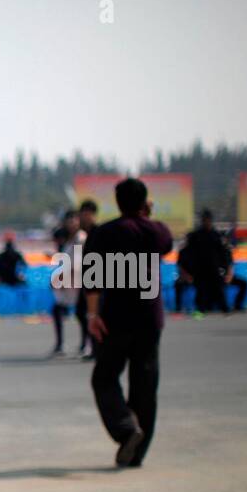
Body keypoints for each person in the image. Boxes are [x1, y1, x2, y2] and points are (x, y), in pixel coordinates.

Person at [85, 177, 173, 468]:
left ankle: (125, 429)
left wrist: (92, 315)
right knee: (145, 384)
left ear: (118, 202)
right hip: (150, 318)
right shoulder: (158, 232)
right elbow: (163, 241)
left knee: (104, 377)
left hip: (116, 319)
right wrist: (147, 214)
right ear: (145, 202)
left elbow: (92, 277)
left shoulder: (105, 233)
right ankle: (136, 453)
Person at [177, 209, 231, 315]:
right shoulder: (195, 235)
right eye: (205, 220)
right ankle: (201, 309)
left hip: (213, 267)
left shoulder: (216, 235)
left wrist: (225, 267)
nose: (206, 222)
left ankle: (224, 308)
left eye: (208, 220)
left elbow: (223, 252)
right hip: (199, 268)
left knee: (218, 287)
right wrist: (187, 271)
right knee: (201, 289)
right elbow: (187, 253)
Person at [50, 214, 82, 355]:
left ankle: (86, 344)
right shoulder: (68, 240)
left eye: (73, 221)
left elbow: (76, 262)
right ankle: (60, 343)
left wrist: (61, 278)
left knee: (82, 314)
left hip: (78, 281)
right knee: (58, 310)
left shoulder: (81, 238)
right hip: (69, 282)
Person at [75, 199, 99, 358]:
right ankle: (89, 344)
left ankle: (95, 347)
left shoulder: (99, 233)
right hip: (86, 281)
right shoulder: (86, 235)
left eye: (84, 214)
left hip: (97, 283)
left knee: (92, 314)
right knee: (81, 312)